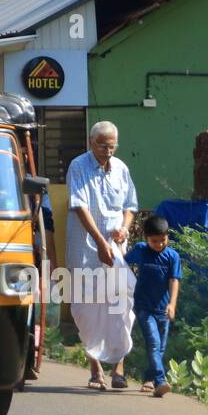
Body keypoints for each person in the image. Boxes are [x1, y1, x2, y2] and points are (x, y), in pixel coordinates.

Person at [66, 121, 138, 391]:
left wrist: (124, 228)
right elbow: (79, 206)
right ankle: (95, 369)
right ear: (90, 142)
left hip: (116, 248)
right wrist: (99, 241)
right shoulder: (78, 166)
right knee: (87, 309)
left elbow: (130, 205)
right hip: (86, 248)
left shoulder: (121, 168)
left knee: (121, 303)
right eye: (102, 145)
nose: (108, 151)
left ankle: (119, 367)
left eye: (112, 146)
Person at [125, 215, 182, 397]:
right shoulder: (141, 250)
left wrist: (172, 304)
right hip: (143, 307)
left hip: (163, 309)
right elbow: (123, 262)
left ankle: (149, 379)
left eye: (162, 240)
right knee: (154, 343)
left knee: (160, 347)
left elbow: (174, 280)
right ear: (145, 238)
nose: (158, 244)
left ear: (168, 237)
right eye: (154, 241)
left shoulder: (172, 256)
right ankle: (160, 380)